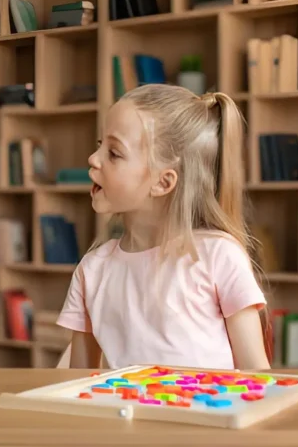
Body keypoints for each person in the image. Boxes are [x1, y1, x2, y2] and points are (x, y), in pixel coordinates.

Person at [57, 84, 270, 371]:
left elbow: (258, 376)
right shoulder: (91, 271)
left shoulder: (219, 256)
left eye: (114, 153)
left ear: (163, 182)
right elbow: (79, 383)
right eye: (99, 145)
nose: (93, 159)